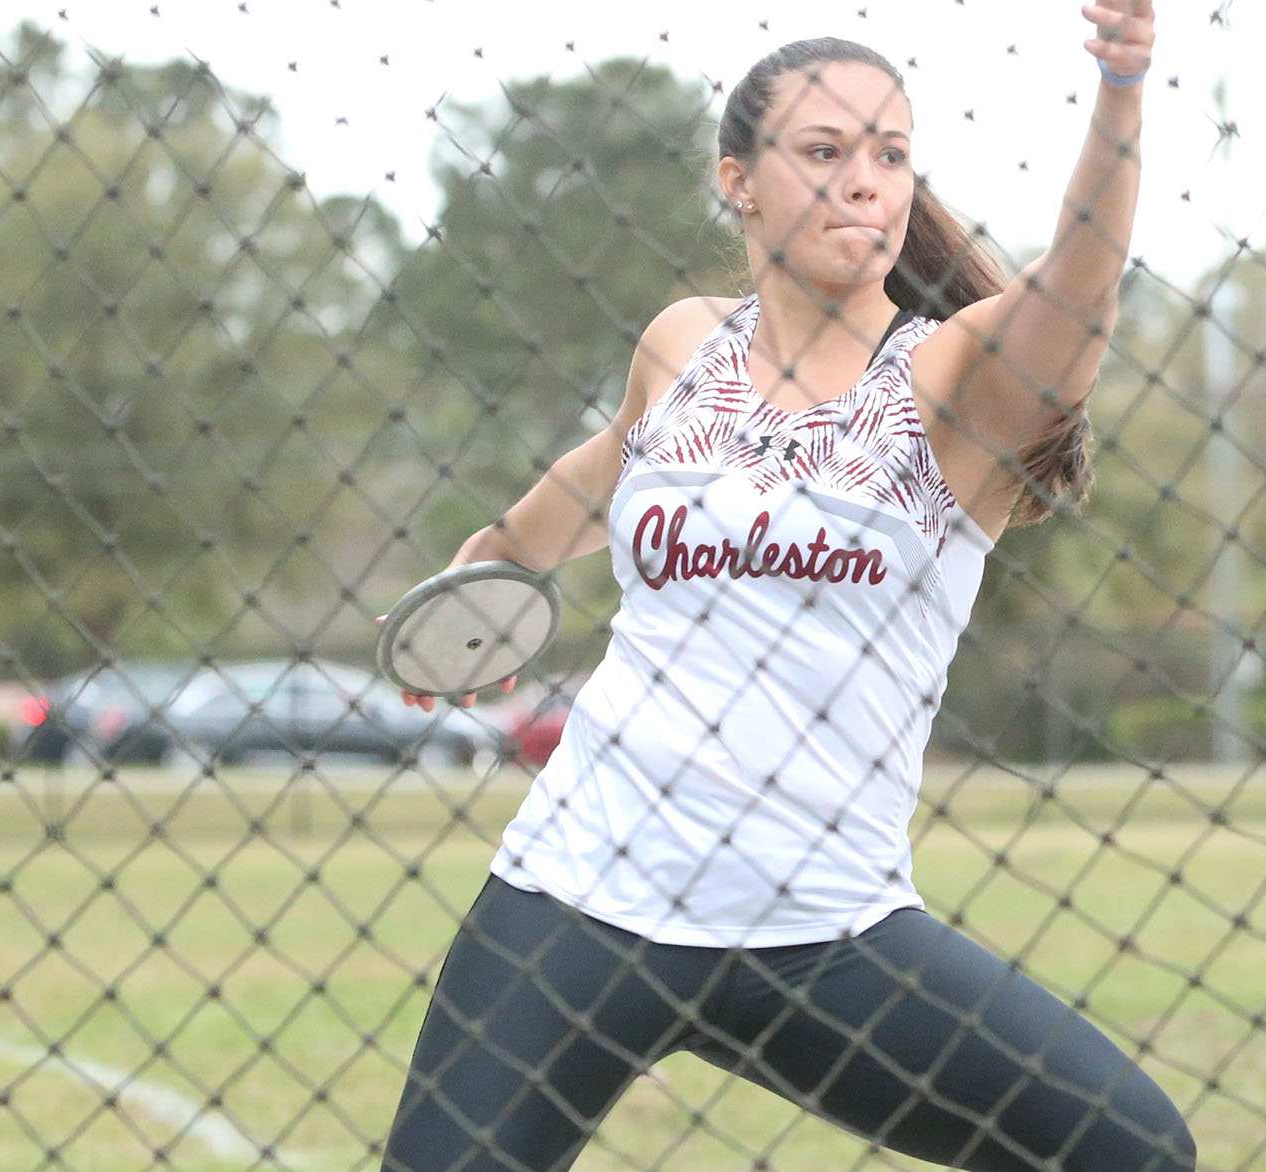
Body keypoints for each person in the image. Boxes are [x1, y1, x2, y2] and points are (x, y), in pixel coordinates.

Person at [380, 6, 1196, 1170]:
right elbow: (589, 479)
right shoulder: (681, 344)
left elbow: (1076, 291)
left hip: (818, 932)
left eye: (889, 155)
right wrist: (485, 570)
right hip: (573, 897)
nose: (863, 182)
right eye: (823, 151)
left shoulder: (950, 381)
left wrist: (1120, 86)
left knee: (1128, 1147)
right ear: (739, 181)